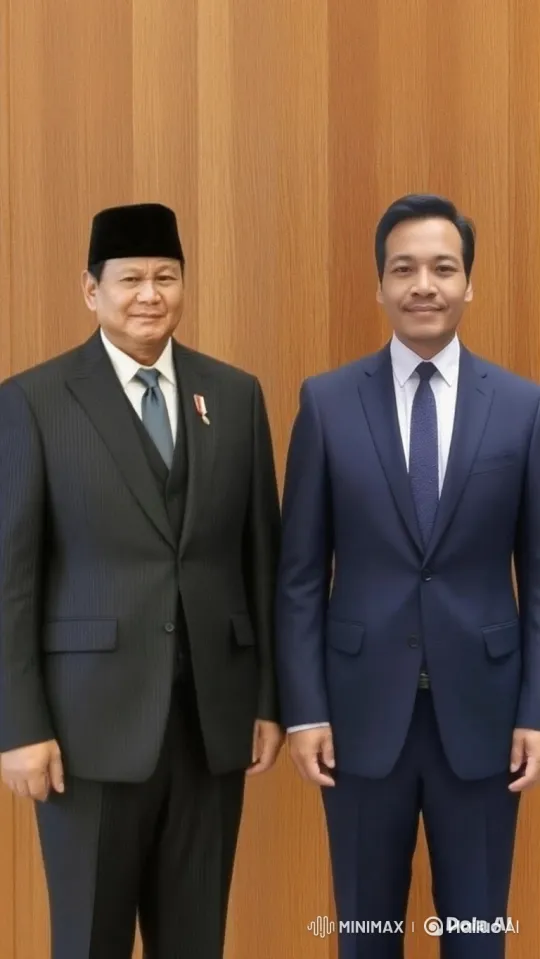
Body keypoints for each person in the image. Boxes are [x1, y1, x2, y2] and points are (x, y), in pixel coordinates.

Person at [0, 202, 283, 959]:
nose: (149, 294)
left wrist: (265, 700)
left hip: (210, 726)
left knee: (196, 941)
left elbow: (262, 558)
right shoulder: (34, 401)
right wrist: (19, 724)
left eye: (166, 276)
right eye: (130, 279)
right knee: (89, 939)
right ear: (91, 290)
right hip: (86, 733)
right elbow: (12, 579)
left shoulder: (234, 395)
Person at [275, 194, 540, 959]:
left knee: (477, 940)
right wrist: (304, 711)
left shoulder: (522, 409)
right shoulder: (326, 403)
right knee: (363, 936)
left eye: (442, 268)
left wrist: (534, 710)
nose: (423, 284)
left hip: (488, 723)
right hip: (357, 724)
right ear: (380, 285)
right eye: (405, 269)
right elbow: (298, 574)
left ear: (469, 283)